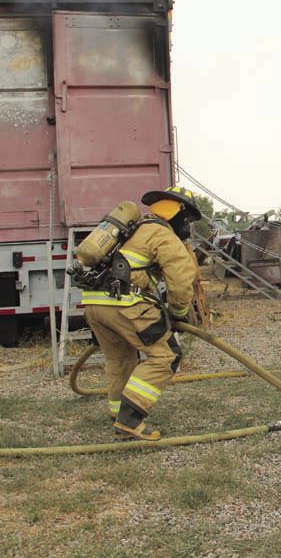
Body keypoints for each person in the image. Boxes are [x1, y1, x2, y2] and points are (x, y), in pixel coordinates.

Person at [81, 186, 201, 440]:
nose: (188, 229)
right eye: (188, 221)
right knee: (166, 355)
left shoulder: (131, 229)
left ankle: (118, 415)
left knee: (120, 358)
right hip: (124, 305)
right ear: (178, 213)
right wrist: (177, 312)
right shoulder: (161, 234)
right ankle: (130, 420)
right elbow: (181, 279)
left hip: (94, 305)